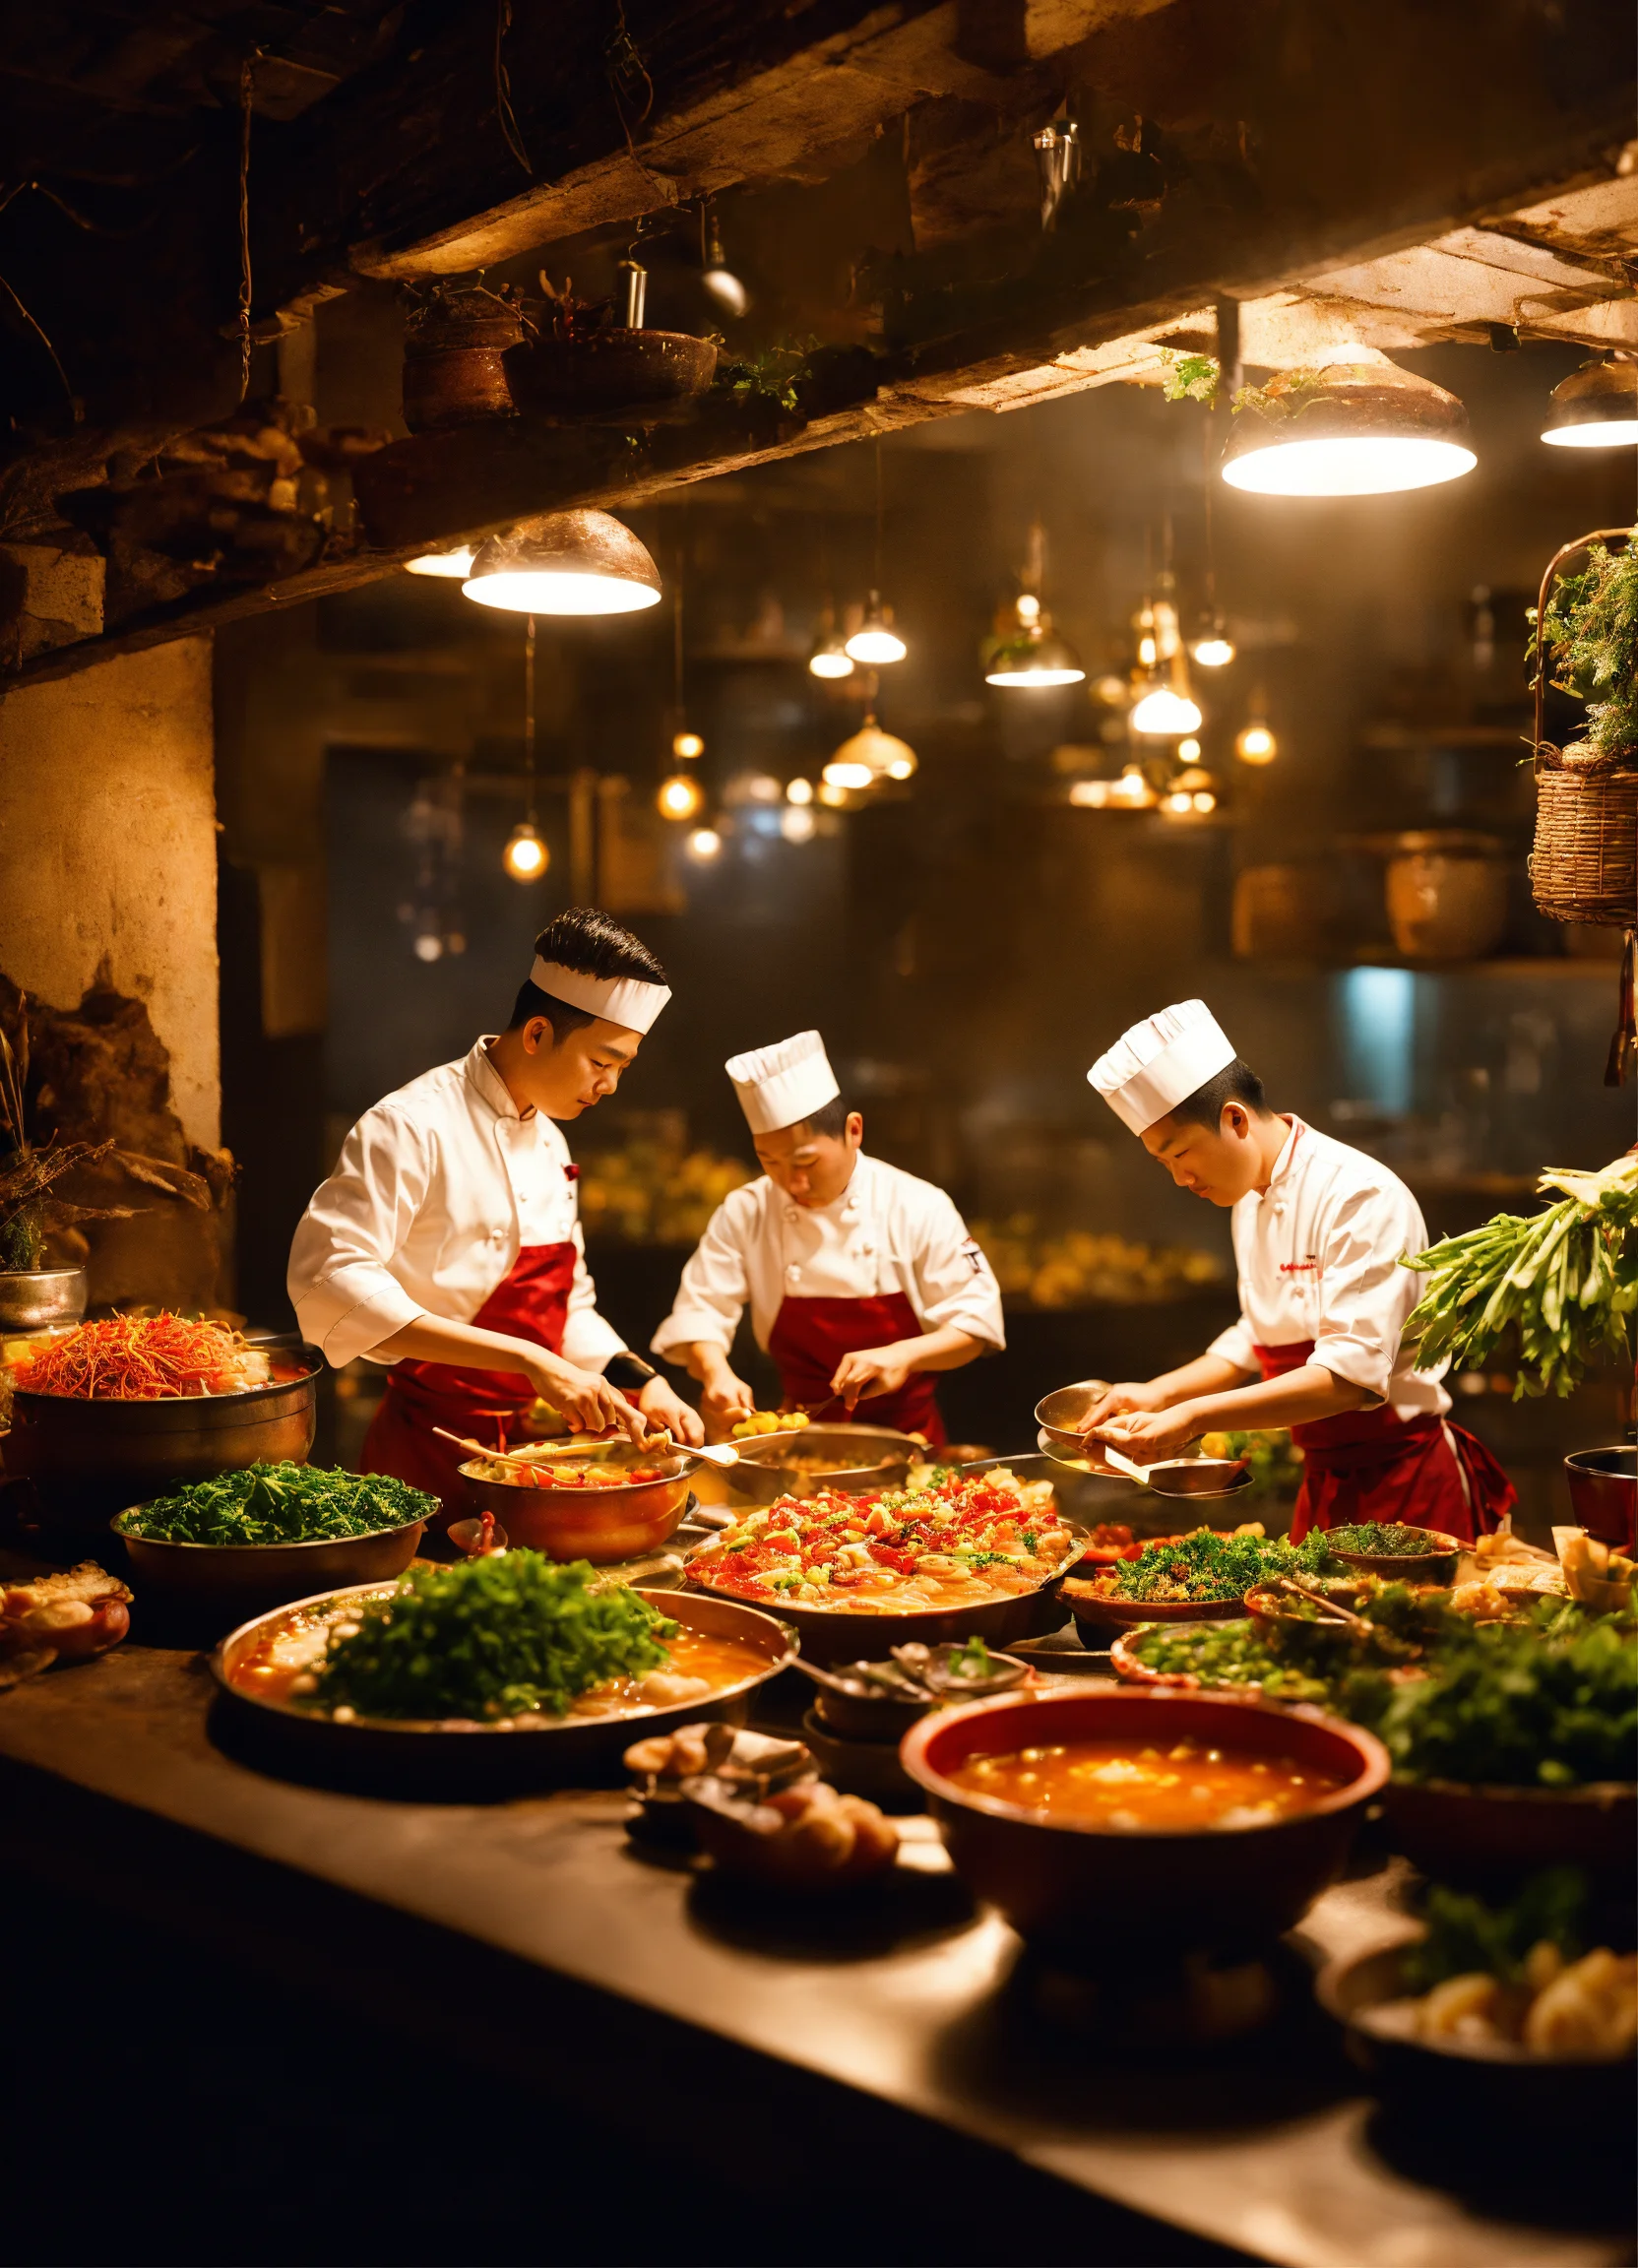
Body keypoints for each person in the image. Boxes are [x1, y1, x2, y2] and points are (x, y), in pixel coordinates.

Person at [288, 908, 704, 1516]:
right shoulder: (410, 1125)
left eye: (622, 1068)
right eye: (601, 1062)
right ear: (536, 1034)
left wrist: (643, 1382)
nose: (611, 1086)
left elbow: (568, 1306)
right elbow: (330, 1281)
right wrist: (530, 1361)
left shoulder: (551, 1139)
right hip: (425, 1460)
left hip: (525, 1463)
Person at [1080, 998, 1513, 1543]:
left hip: (1405, 1484)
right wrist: (1157, 1394)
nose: (1179, 1179)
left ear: (1234, 1119)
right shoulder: (1246, 1199)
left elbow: (1345, 1379)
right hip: (1324, 1480)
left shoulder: (1359, 1195)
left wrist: (1192, 1417)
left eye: (1181, 1153)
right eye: (1162, 1163)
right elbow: (1259, 1331)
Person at [651, 1030, 1003, 1443]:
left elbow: (975, 1323)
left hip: (908, 1444)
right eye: (771, 1162)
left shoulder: (919, 1205)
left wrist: (902, 1355)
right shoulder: (746, 1209)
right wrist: (716, 1372)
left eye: (807, 1161)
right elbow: (701, 1310)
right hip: (799, 1444)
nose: (792, 1182)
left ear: (853, 1131)